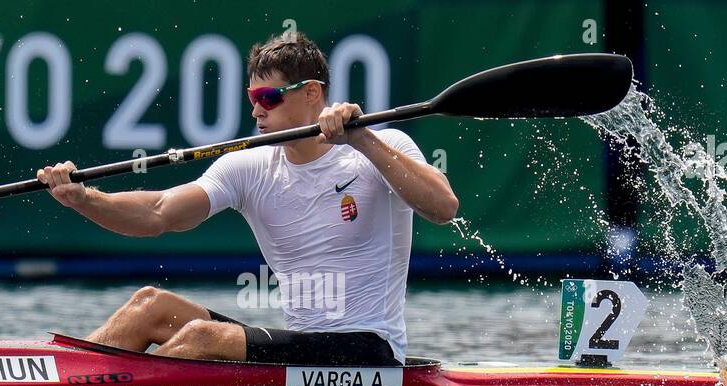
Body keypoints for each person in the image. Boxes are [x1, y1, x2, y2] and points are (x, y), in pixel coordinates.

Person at [37, 31, 457, 366]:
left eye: (267, 98)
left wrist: (361, 137)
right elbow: (158, 212)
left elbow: (443, 208)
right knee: (149, 304)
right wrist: (84, 199)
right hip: (303, 347)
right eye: (252, 98)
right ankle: (60, 377)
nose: (256, 111)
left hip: (370, 349)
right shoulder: (249, 168)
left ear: (311, 93)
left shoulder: (382, 146)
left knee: (202, 337)